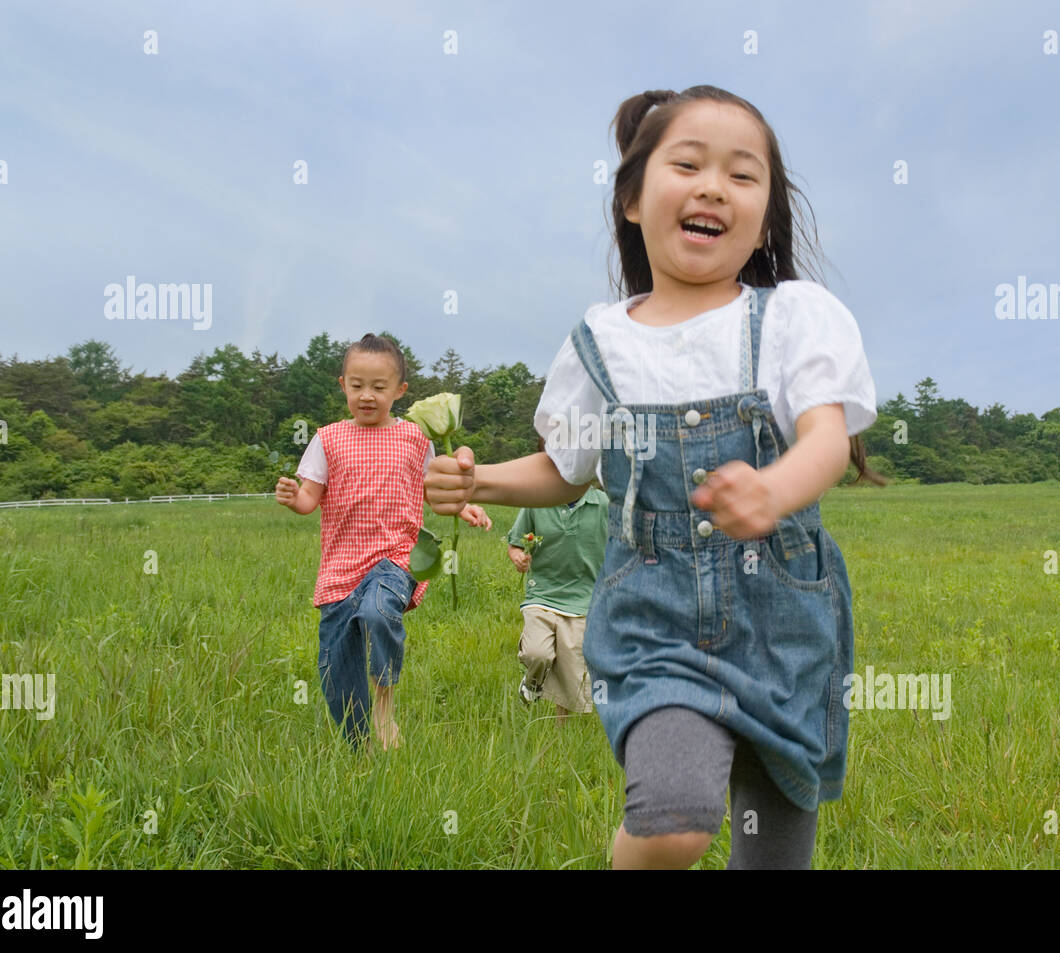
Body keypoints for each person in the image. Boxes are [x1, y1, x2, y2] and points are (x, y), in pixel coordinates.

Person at [425, 86, 883, 869]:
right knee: (672, 821)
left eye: (744, 176)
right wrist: (480, 481)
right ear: (633, 199)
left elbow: (826, 441)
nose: (713, 187)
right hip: (655, 619)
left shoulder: (794, 320)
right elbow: (566, 471)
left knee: (772, 856)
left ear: (766, 212)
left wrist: (773, 491)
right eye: (688, 164)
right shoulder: (600, 343)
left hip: (783, 626)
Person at [276, 333, 490, 752]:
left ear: (400, 390)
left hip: (396, 559)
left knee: (377, 613)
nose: (367, 396)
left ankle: (385, 707)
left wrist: (463, 508)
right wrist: (292, 498)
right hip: (339, 570)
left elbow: (434, 488)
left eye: (379, 387)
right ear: (342, 385)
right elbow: (309, 499)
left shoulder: (414, 438)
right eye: (357, 386)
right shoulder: (328, 439)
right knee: (337, 675)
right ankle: (360, 752)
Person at [506, 438, 609, 726]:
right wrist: (517, 557)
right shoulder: (536, 502)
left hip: (584, 601)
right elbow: (515, 543)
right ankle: (533, 684)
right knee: (537, 653)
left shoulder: (602, 504)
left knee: (570, 669)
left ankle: (561, 735)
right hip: (543, 596)